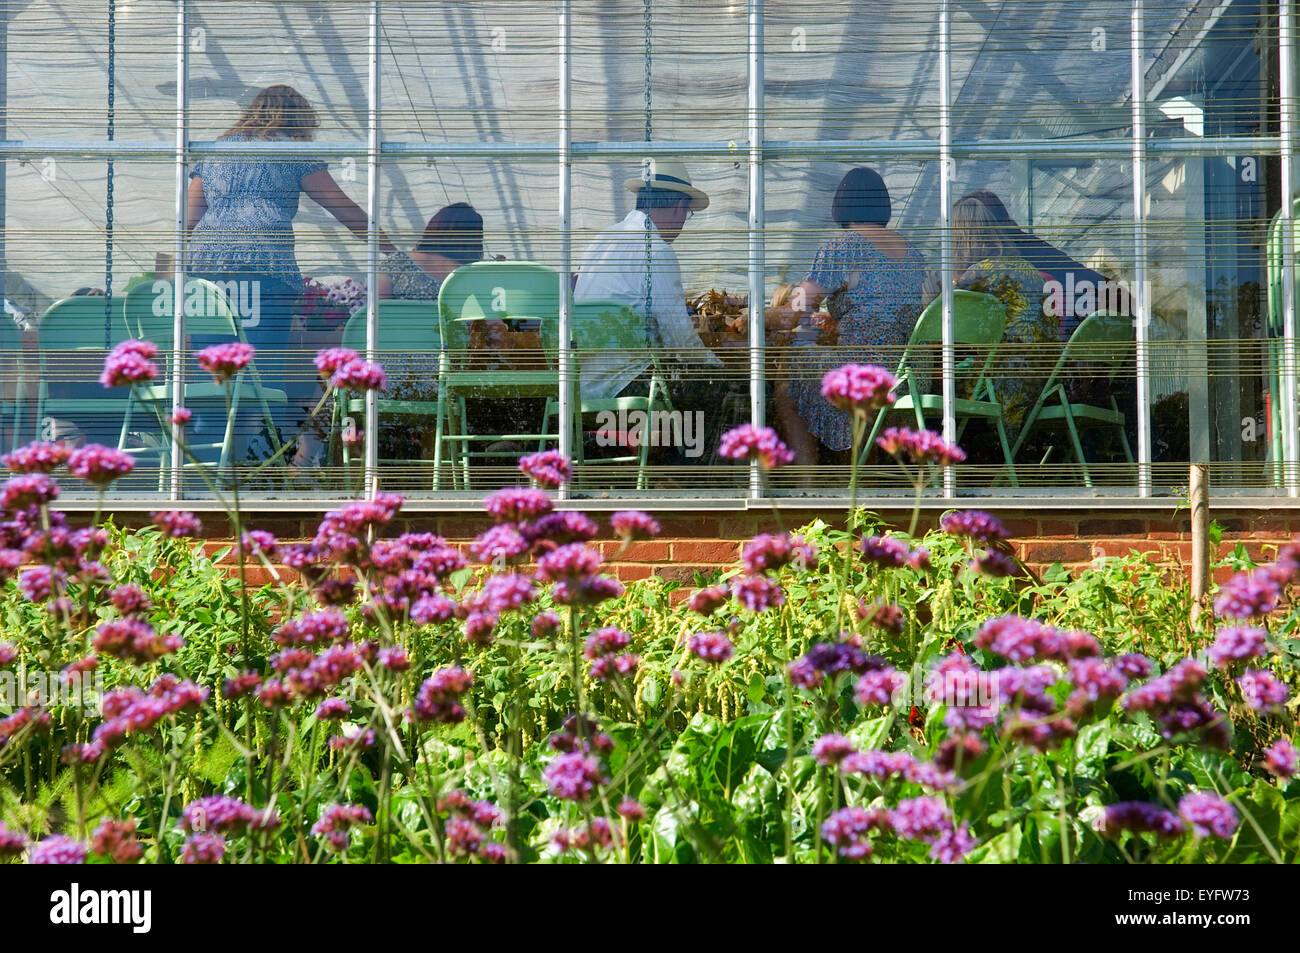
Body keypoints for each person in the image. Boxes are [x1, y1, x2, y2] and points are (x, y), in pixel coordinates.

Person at [185, 84, 395, 462]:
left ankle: (205, 467)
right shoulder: (292, 150)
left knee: (211, 376)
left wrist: (165, 275)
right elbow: (343, 209)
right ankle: (262, 466)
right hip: (264, 266)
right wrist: (391, 251)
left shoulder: (213, 151)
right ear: (299, 119)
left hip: (207, 269)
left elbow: (186, 220)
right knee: (264, 377)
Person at [573, 161, 737, 463]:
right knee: (725, 389)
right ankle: (692, 478)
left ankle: (663, 464)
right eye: (687, 214)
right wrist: (719, 367)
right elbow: (679, 339)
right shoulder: (656, 250)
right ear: (678, 206)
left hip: (583, 386)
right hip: (627, 383)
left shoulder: (601, 241)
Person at [778, 166, 928, 466]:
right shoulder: (913, 253)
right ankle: (864, 472)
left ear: (842, 204)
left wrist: (760, 317)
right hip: (911, 379)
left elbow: (798, 308)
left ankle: (805, 483)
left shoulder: (843, 246)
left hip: (866, 373)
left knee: (787, 375)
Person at [948, 192, 1061, 457]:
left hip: (999, 390)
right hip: (1040, 389)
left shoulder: (978, 275)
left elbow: (948, 336)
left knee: (934, 384)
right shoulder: (1033, 273)